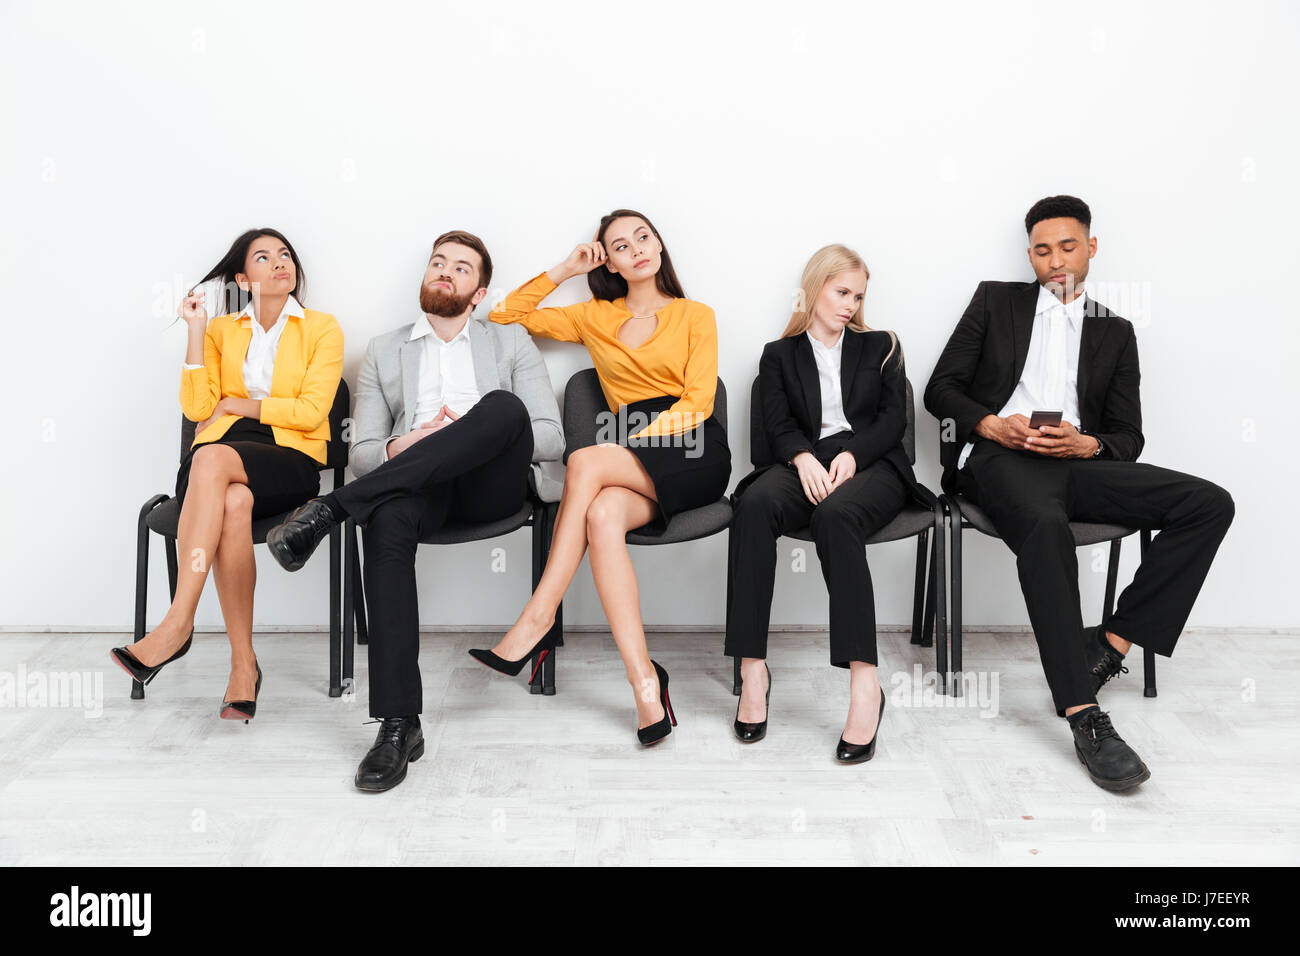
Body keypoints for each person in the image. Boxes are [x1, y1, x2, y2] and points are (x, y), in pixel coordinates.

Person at [924, 195, 1234, 791]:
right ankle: (1083, 714)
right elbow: (942, 388)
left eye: (1068, 246)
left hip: (1076, 462)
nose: (1055, 260)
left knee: (1209, 503)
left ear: (1090, 248)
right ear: (1030, 256)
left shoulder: (1115, 331)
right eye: (1042, 250)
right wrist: (991, 423)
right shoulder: (996, 301)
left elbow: (1128, 435)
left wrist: (1086, 444)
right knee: (1045, 527)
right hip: (998, 456)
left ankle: (1111, 642)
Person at [264, 230, 564, 792]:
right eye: (437, 263)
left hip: (489, 484)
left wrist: (470, 432)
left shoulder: (510, 342)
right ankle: (399, 724)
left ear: (479, 292)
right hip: (416, 481)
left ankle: (328, 512)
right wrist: (413, 444)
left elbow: (548, 437)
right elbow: (363, 454)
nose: (445, 272)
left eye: (462, 268)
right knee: (385, 522)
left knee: (499, 407)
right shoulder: (383, 350)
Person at [470, 209, 731, 746]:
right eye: (620, 244)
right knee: (602, 511)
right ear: (607, 260)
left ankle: (537, 618)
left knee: (585, 460)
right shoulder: (594, 317)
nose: (636, 248)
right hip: (633, 460)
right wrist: (565, 268)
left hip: (694, 444)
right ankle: (645, 687)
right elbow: (502, 316)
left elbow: (700, 400)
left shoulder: (695, 314)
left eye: (643, 236)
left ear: (659, 244)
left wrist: (632, 442)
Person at [110, 228, 343, 722]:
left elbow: (312, 411)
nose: (280, 263)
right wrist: (195, 330)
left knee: (210, 458)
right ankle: (244, 666)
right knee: (233, 501)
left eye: (285, 255)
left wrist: (240, 403)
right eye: (264, 257)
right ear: (243, 277)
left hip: (289, 458)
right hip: (217, 467)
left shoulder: (323, 328)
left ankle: (177, 624)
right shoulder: (221, 331)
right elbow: (197, 407)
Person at [726, 244, 931, 762]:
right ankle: (754, 672)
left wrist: (853, 456)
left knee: (836, 516)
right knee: (753, 506)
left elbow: (893, 421)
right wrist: (801, 457)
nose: (850, 304)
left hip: (874, 465)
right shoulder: (779, 354)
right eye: (842, 292)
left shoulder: (882, 345)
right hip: (805, 463)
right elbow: (776, 423)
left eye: (858, 296)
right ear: (815, 287)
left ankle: (865, 685)